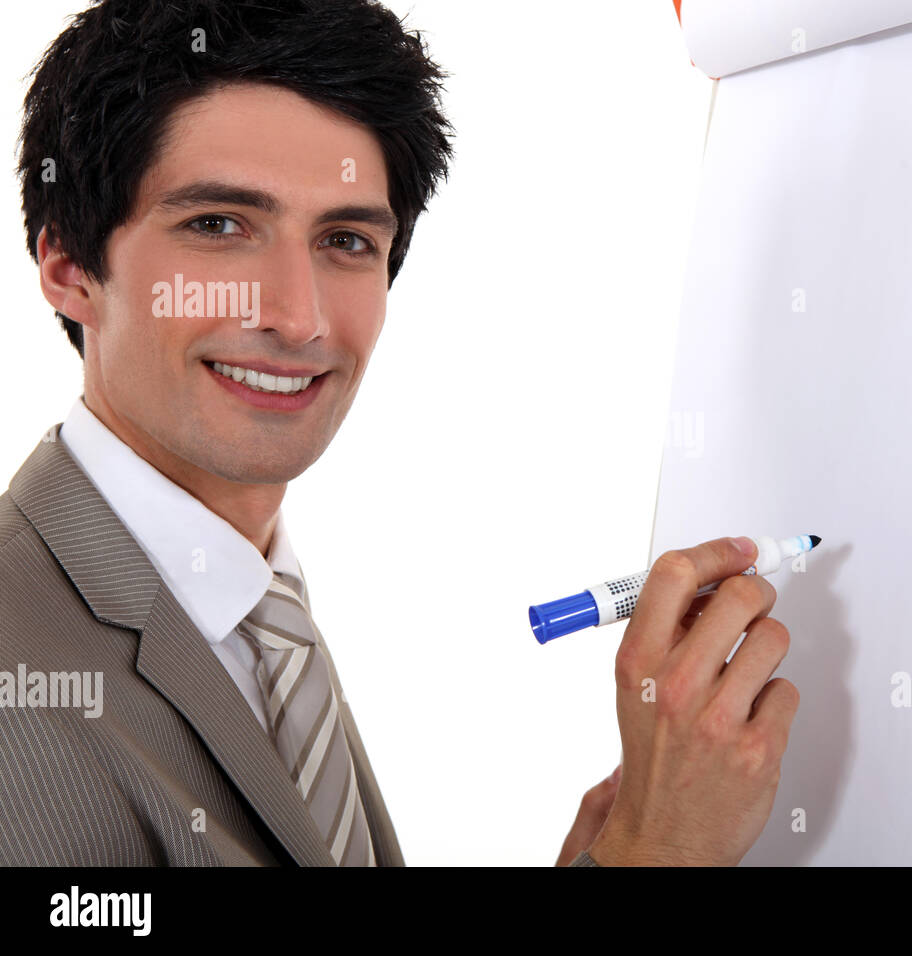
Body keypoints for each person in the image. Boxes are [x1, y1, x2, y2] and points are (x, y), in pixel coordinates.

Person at [0, 0, 798, 867]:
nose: (300, 319)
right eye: (218, 226)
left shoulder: (253, 608)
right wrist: (658, 854)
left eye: (345, 239)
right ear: (71, 269)